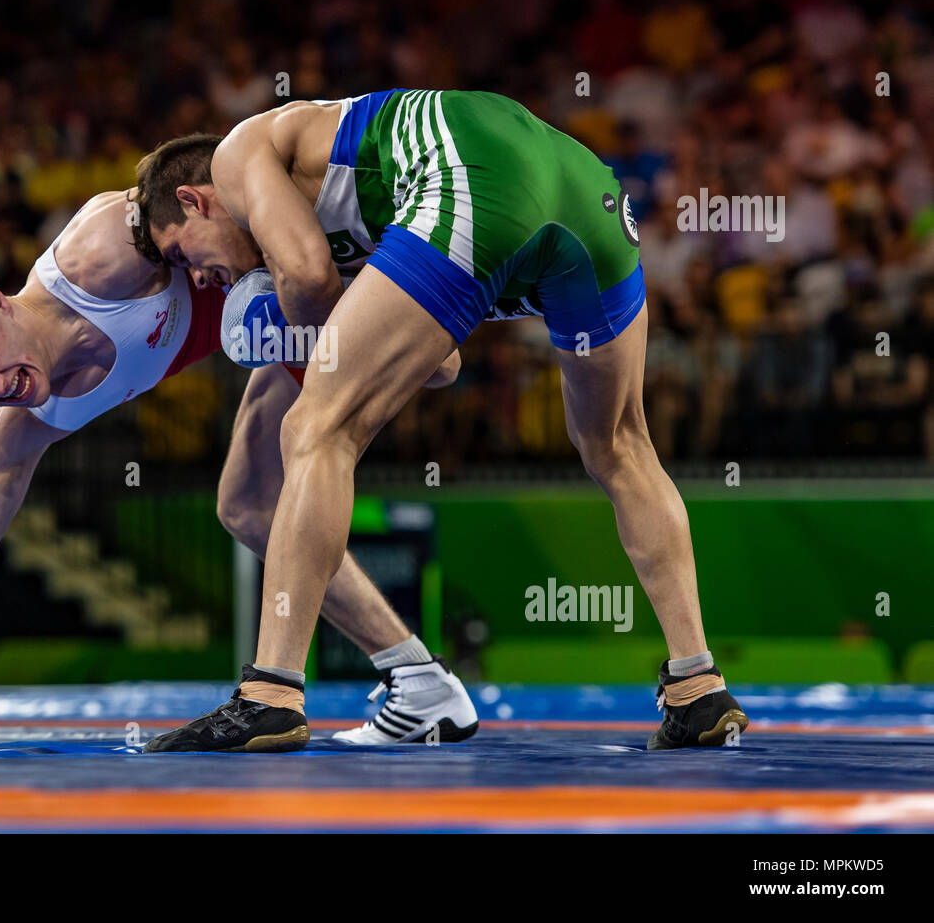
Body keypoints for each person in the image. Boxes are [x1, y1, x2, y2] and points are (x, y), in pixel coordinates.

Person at [135, 89, 748, 752]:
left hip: (475, 168)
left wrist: (290, 327)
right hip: (583, 194)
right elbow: (445, 363)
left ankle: (270, 695)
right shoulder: (369, 221)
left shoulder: (237, 154)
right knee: (621, 446)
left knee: (315, 429)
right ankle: (696, 685)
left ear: (196, 200)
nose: (197, 279)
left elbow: (309, 276)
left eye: (180, 254)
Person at [0, 188, 477, 748]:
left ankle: (427, 297)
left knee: (352, 388)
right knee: (249, 505)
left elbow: (217, 182)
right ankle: (420, 683)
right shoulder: (16, 433)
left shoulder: (101, 249)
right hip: (270, 322)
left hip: (307, 257)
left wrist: (340, 279)